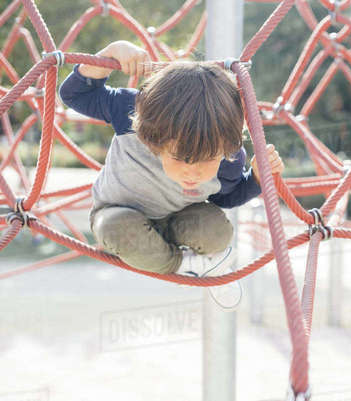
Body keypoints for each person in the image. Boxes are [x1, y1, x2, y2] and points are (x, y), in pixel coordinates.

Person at [58, 41, 283, 293]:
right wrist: (110, 53)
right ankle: (183, 266)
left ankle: (196, 260)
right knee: (117, 228)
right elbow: (74, 94)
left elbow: (228, 197)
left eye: (208, 159)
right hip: (118, 214)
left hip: (177, 218)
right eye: (180, 158)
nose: (193, 172)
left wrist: (257, 179)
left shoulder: (228, 159)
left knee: (217, 231)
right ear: (155, 139)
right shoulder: (133, 113)